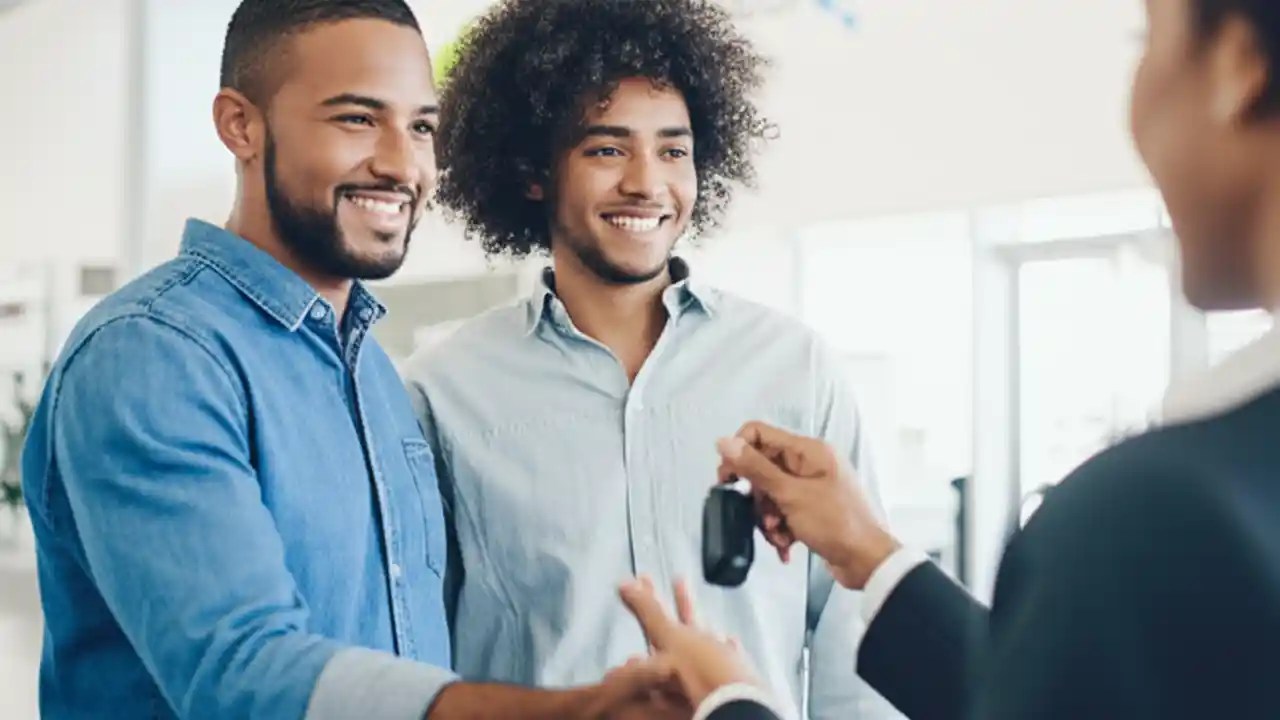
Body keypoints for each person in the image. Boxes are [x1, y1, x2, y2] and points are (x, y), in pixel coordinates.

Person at [617, 2, 1280, 716]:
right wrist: (869, 552)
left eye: (1146, 39)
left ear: (1237, 64)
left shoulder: (1154, 520)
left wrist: (727, 704)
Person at [20, 2, 677, 718]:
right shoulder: (152, 356)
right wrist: (569, 712)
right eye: (358, 119)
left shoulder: (374, 375)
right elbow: (240, 673)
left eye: (421, 128)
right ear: (240, 125)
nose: (401, 165)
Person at [403, 0, 899, 717]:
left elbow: (851, 629)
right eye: (607, 150)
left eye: (673, 151)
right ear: (534, 172)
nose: (646, 182)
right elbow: (416, 644)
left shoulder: (793, 366)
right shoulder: (444, 390)